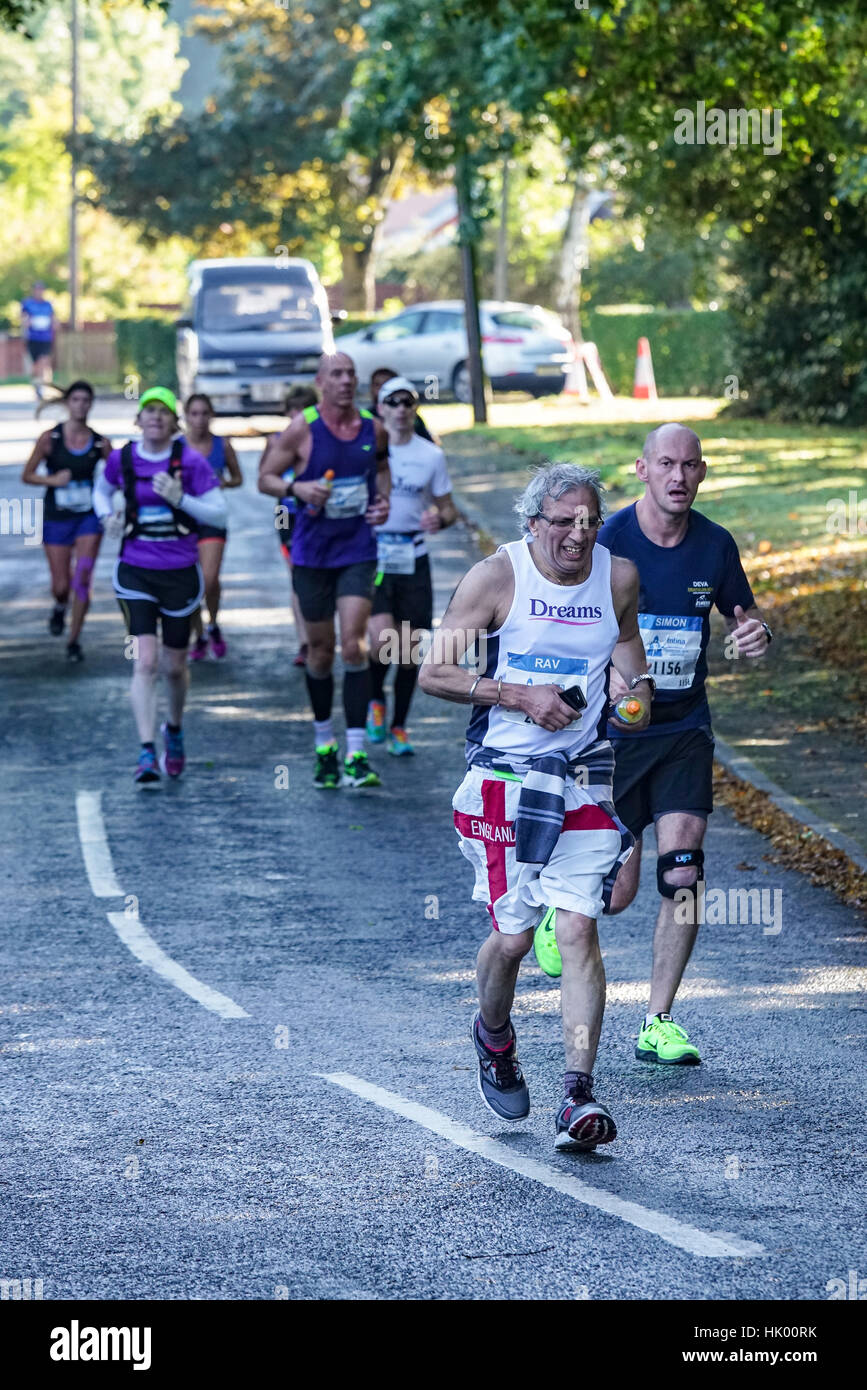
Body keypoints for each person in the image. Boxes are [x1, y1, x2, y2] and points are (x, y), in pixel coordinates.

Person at [419, 462, 654, 1151]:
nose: (577, 535)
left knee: (578, 928)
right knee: (516, 938)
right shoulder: (497, 578)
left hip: (578, 779)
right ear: (532, 524)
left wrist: (633, 700)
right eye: (562, 522)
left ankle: (576, 1097)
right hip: (500, 779)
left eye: (588, 521)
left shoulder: (617, 579)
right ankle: (493, 1036)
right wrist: (518, 695)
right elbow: (433, 671)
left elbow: (631, 670)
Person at [536, 423, 773, 1067]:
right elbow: (563, 619)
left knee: (685, 873)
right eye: (666, 464)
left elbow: (742, 615)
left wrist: (756, 635)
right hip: (614, 735)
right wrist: (607, 680)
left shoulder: (716, 546)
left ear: (702, 472)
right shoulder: (608, 538)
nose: (678, 477)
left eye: (690, 466)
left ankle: (659, 1020)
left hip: (683, 729)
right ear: (642, 469)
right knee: (615, 895)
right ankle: (560, 911)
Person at [258, 352, 390, 790]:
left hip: (357, 549)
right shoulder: (303, 427)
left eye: (352, 373)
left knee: (352, 646)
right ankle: (324, 746)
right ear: (320, 382)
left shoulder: (373, 427)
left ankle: (356, 753)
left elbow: (383, 466)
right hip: (312, 553)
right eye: (337, 374)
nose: (347, 380)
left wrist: (382, 501)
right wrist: (297, 487)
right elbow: (265, 478)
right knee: (319, 652)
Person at [92, 387, 227, 785]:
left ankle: (175, 727)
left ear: (174, 422)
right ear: (138, 420)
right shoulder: (123, 459)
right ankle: (147, 749)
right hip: (135, 572)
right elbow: (101, 491)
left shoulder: (191, 461)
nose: (155, 418)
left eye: (163, 412)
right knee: (145, 662)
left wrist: (182, 498)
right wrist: (106, 519)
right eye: (148, 411)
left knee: (174, 666)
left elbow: (219, 514)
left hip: (181, 574)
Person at [367, 376, 457, 755]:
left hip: (413, 555)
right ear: (381, 408)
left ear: (415, 408)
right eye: (394, 402)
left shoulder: (430, 454)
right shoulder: (366, 450)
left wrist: (441, 519)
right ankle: (375, 701)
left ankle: (399, 726)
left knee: (407, 651)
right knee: (379, 640)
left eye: (409, 402)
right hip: (372, 556)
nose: (402, 409)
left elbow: (448, 508)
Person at [21, 379, 111, 662]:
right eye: (76, 400)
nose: (81, 406)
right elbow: (28, 474)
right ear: (67, 404)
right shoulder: (51, 439)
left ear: (91, 405)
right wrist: (52, 480)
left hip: (88, 518)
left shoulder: (100, 442)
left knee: (82, 578)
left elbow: (119, 475)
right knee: (61, 586)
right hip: (56, 518)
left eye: (86, 401)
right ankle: (60, 607)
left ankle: (74, 641)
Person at [258, 384, 318, 666]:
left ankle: (320, 635)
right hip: (287, 514)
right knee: (297, 577)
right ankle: (305, 641)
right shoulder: (277, 441)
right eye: (292, 412)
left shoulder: (320, 439)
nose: (296, 417)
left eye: (302, 412)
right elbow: (263, 478)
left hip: (317, 514)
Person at [183, 393, 243, 661]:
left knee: (208, 579)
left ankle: (214, 622)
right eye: (193, 414)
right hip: (183, 522)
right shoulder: (176, 446)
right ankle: (200, 635)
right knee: (190, 584)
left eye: (204, 413)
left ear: (211, 416)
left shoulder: (222, 445)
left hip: (212, 521)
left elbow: (238, 478)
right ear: (186, 417)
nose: (199, 419)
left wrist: (223, 483)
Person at [370, 365, 438, 443]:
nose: (401, 409)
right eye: (377, 385)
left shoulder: (415, 420)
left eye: (407, 402)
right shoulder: (366, 416)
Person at [20, 282, 55, 402]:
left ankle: (42, 388)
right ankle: (36, 385)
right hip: (33, 338)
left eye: (41, 290)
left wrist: (55, 324)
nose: (39, 292)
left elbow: (53, 319)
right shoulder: (28, 304)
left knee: (43, 362)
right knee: (35, 366)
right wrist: (27, 323)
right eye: (37, 290)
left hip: (45, 338)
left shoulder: (48, 305)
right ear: (33, 291)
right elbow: (23, 318)